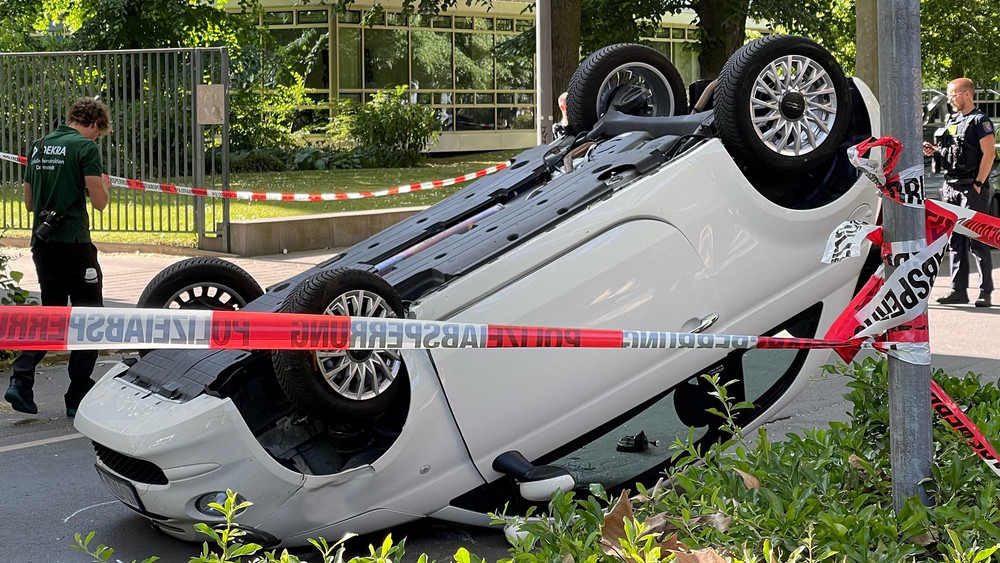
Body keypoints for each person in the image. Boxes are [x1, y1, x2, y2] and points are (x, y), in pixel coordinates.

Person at [4, 97, 111, 417]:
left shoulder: (38, 145)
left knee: (52, 315)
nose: (97, 139)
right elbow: (100, 201)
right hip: (74, 243)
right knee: (90, 318)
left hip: (44, 243)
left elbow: (28, 201)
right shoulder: (85, 148)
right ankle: (78, 393)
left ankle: (21, 379)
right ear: (94, 124)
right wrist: (104, 186)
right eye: (99, 134)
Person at [924, 78, 996, 307]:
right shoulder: (953, 121)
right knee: (955, 240)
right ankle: (958, 290)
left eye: (953, 95)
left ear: (967, 94)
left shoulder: (980, 121)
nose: (950, 99)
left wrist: (978, 183)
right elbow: (952, 150)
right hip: (951, 186)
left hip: (970, 188)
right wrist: (934, 151)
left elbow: (989, 154)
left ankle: (985, 291)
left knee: (978, 239)